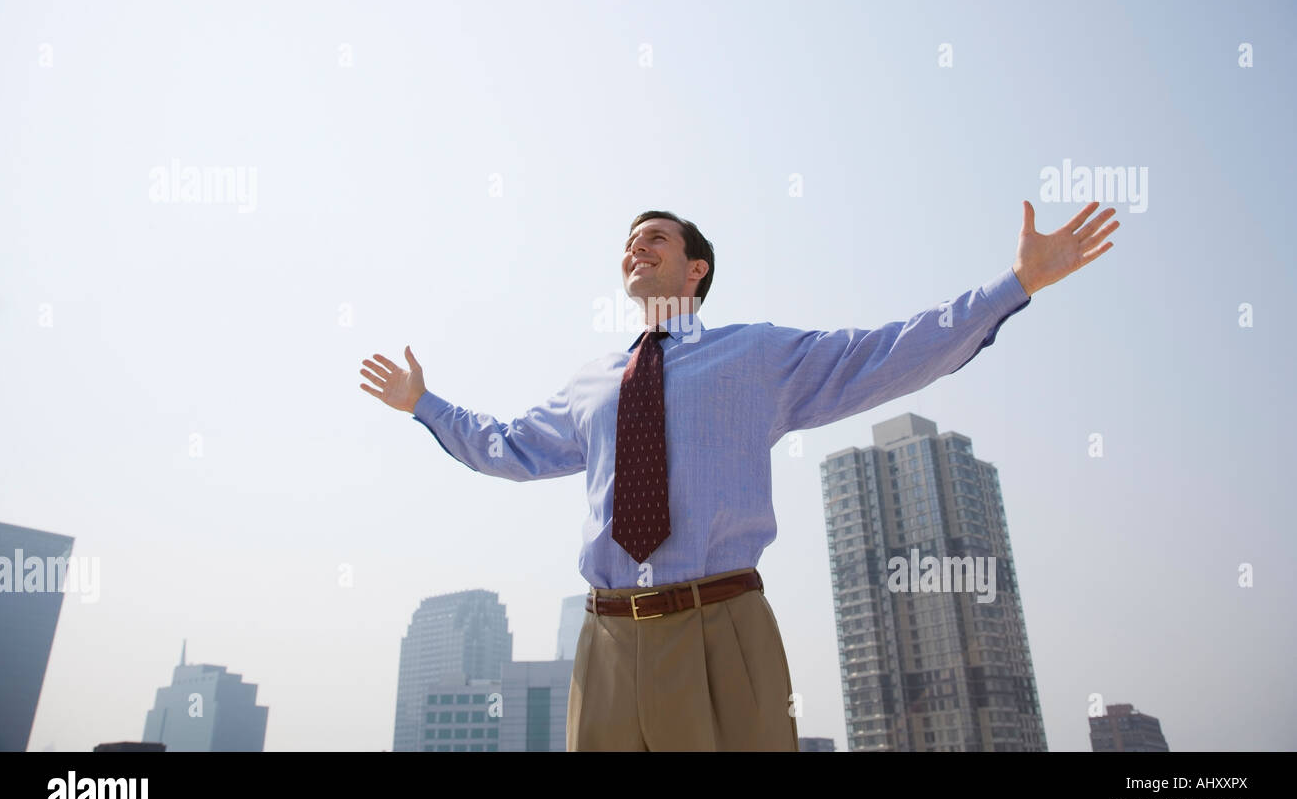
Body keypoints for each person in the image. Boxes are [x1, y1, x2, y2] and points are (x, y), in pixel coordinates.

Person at [358, 201, 1118, 751]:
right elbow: (507, 447)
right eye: (627, 244)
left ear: (697, 269)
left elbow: (886, 353)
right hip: (606, 642)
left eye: (653, 239)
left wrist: (1014, 284)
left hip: (719, 627)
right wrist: (424, 403)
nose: (635, 250)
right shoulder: (591, 385)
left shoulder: (755, 356)